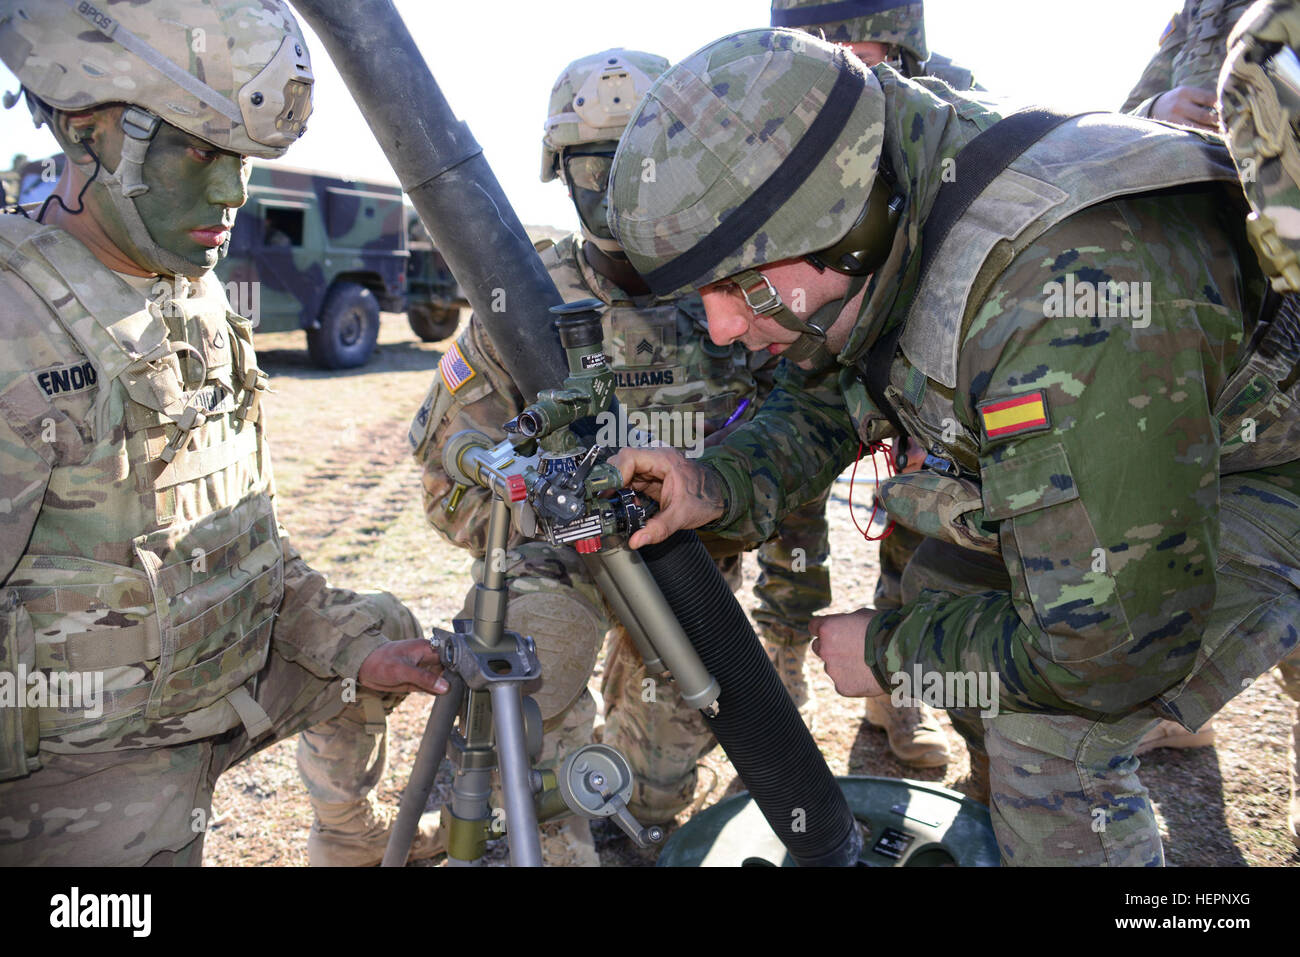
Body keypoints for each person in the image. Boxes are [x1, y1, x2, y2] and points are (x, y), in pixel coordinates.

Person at [604, 27, 1300, 864]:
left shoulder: (1060, 303)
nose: (722, 327)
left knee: (1050, 730)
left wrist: (894, 652)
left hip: (1266, 469)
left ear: (851, 228)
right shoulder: (892, 188)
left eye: (741, 284)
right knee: (946, 589)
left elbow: (1109, 653)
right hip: (1159, 436)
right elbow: (830, 392)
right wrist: (713, 482)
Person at [0, 0, 446, 867]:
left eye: (241, 158)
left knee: (380, 629)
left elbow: (243, 531)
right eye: (198, 152)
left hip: (214, 682)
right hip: (88, 758)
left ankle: (348, 840)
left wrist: (341, 643)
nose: (232, 193)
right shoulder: (16, 323)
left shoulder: (192, 291)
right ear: (88, 132)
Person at [771, 0, 984, 769]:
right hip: (847, 367)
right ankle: (813, 670)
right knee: (798, 534)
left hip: (949, 384)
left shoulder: (956, 123)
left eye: (866, 62)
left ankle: (901, 701)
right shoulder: (782, 135)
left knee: (935, 545)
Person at [771, 0, 977, 89]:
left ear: (899, 59)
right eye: (812, 61)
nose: (834, 78)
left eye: (857, 62)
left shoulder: (963, 132)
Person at [1122, 0, 1256, 130]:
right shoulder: (1193, 10)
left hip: (1258, 144)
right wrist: (1153, 110)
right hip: (1185, 146)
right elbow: (1123, 121)